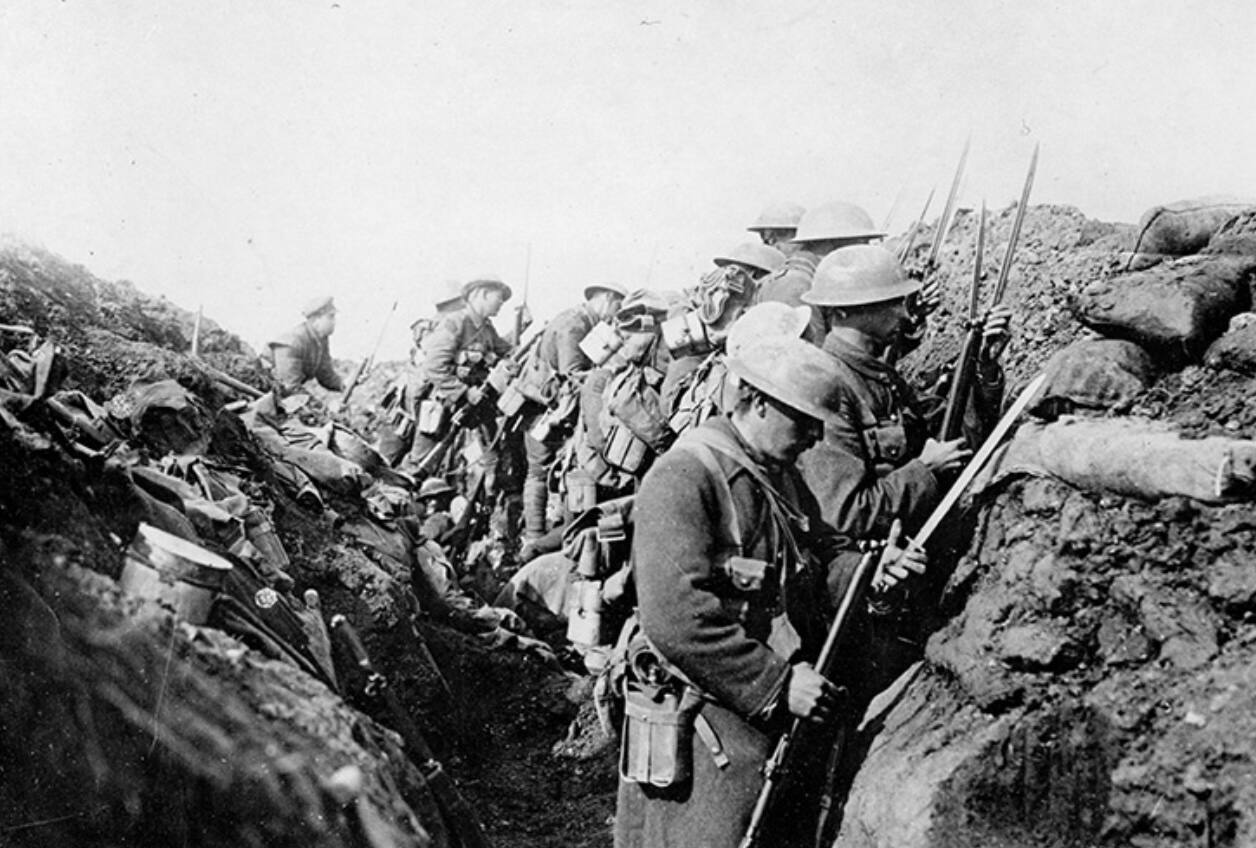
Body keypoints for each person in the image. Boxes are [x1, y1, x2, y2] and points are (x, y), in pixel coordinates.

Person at [615, 334, 927, 848]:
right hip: (707, 712)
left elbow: (815, 560)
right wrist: (777, 685)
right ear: (756, 402)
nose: (812, 437)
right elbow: (676, 617)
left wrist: (870, 569)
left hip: (766, 704)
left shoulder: (775, 474)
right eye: (802, 422)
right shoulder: (684, 476)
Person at [798, 244, 1010, 541]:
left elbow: (957, 444)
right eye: (891, 303)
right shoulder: (827, 389)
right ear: (846, 309)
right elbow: (845, 515)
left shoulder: (882, 377)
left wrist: (984, 365)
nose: (905, 315)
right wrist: (924, 471)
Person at [522, 282, 627, 541]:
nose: (617, 311)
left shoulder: (586, 322)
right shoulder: (574, 325)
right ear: (605, 298)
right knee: (539, 471)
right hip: (545, 412)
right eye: (617, 304)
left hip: (556, 407)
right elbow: (573, 375)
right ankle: (534, 537)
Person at [404, 275, 515, 475]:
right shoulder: (455, 322)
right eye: (499, 298)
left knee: (492, 458)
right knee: (420, 466)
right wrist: (464, 392)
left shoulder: (486, 327)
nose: (501, 303)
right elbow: (434, 367)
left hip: (476, 404)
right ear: (482, 294)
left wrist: (520, 329)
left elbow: (506, 352)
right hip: (444, 404)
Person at [756, 201, 885, 342]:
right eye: (861, 244)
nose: (863, 255)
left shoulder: (808, 278)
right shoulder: (797, 287)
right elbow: (811, 358)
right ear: (834, 244)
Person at [266, 296, 344, 395]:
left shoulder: (320, 340)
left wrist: (344, 384)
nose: (334, 322)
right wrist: (318, 407)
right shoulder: (293, 342)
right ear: (316, 319)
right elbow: (290, 387)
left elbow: (325, 375)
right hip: (265, 394)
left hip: (283, 395)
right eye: (330, 317)